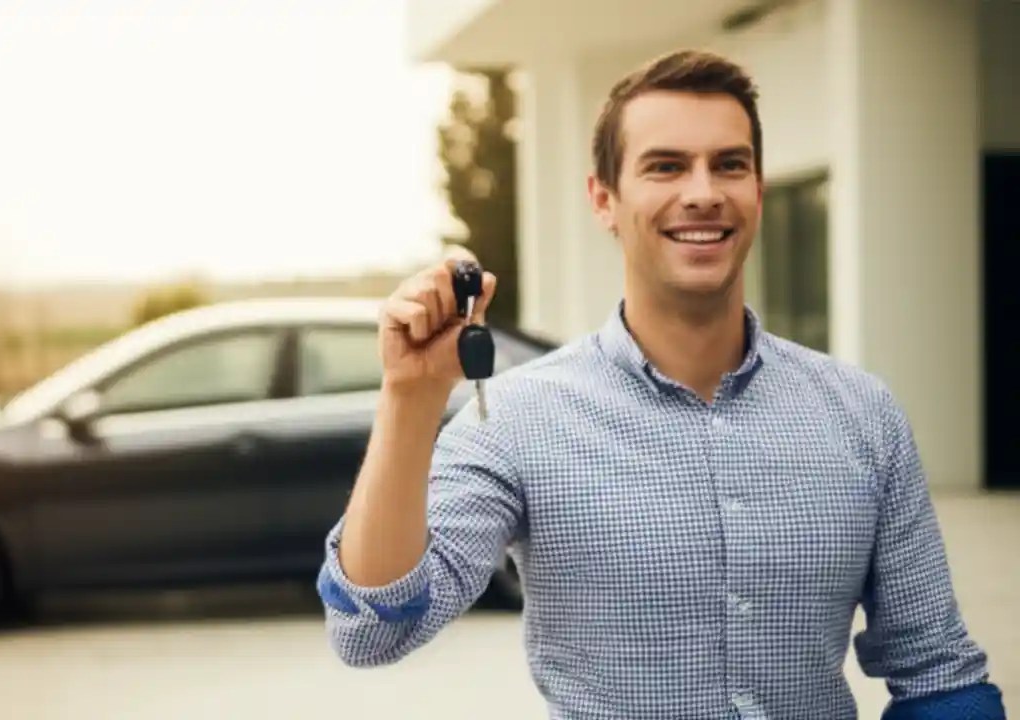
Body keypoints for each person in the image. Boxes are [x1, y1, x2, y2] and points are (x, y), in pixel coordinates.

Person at [314, 49, 1007, 719]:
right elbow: (372, 633)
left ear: (758, 191)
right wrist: (409, 396)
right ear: (604, 199)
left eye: (729, 165)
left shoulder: (863, 414)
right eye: (666, 166)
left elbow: (939, 676)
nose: (703, 194)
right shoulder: (519, 419)